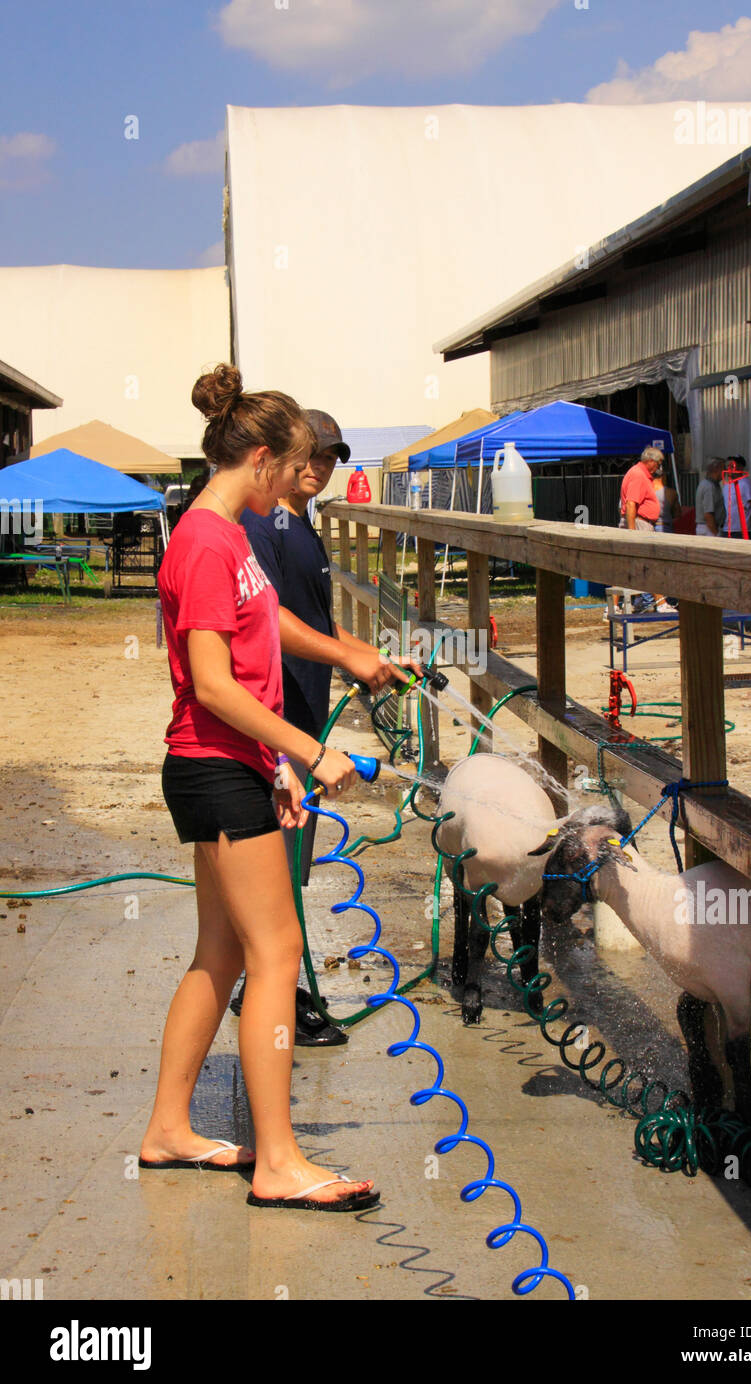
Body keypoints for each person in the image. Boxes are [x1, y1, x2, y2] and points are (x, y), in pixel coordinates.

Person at [140, 363, 378, 1212]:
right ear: (267, 458)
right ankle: (278, 1162)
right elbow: (210, 682)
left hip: (234, 766)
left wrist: (278, 754)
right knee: (276, 957)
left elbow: (260, 634)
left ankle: (170, 1126)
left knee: (224, 951)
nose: (299, 483)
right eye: (297, 464)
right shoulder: (205, 541)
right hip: (210, 766)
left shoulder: (231, 531)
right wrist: (308, 750)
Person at [235, 408, 420, 1044]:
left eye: (332, 456)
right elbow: (264, 619)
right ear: (281, 456)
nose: (319, 466)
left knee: (291, 863)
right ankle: (272, 990)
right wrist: (345, 657)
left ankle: (269, 984)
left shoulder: (301, 524)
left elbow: (310, 619)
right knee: (276, 863)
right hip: (272, 714)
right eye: (309, 454)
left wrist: (367, 655)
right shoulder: (260, 519)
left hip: (302, 709)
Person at [618, 444, 663, 613]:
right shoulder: (638, 475)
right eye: (658, 463)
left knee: (635, 565)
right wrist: (632, 533)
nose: (659, 468)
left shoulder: (639, 474)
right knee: (648, 564)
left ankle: (629, 602)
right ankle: (661, 602)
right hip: (639, 523)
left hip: (640, 522)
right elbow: (631, 504)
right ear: (651, 461)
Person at [652, 467, 681, 614]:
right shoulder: (671, 493)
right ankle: (668, 598)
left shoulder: (648, 491)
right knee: (668, 565)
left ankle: (651, 598)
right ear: (663, 476)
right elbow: (678, 513)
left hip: (651, 528)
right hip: (666, 528)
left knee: (652, 564)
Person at [721, 456, 751, 538]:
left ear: (740, 467)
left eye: (732, 466)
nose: (729, 468)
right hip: (726, 530)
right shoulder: (726, 486)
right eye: (727, 466)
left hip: (741, 531)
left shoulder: (746, 484)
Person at [694, 459, 726, 536]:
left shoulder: (712, 485)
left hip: (709, 527)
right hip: (709, 529)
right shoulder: (709, 486)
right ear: (716, 469)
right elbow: (708, 514)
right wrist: (716, 534)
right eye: (724, 469)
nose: (725, 472)